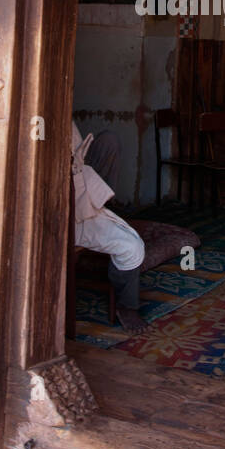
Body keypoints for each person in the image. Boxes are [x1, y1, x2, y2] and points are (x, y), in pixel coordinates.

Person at [71, 122, 147, 333]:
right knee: (130, 247)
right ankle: (127, 307)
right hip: (66, 214)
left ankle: (103, 202)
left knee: (108, 141)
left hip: (79, 186)